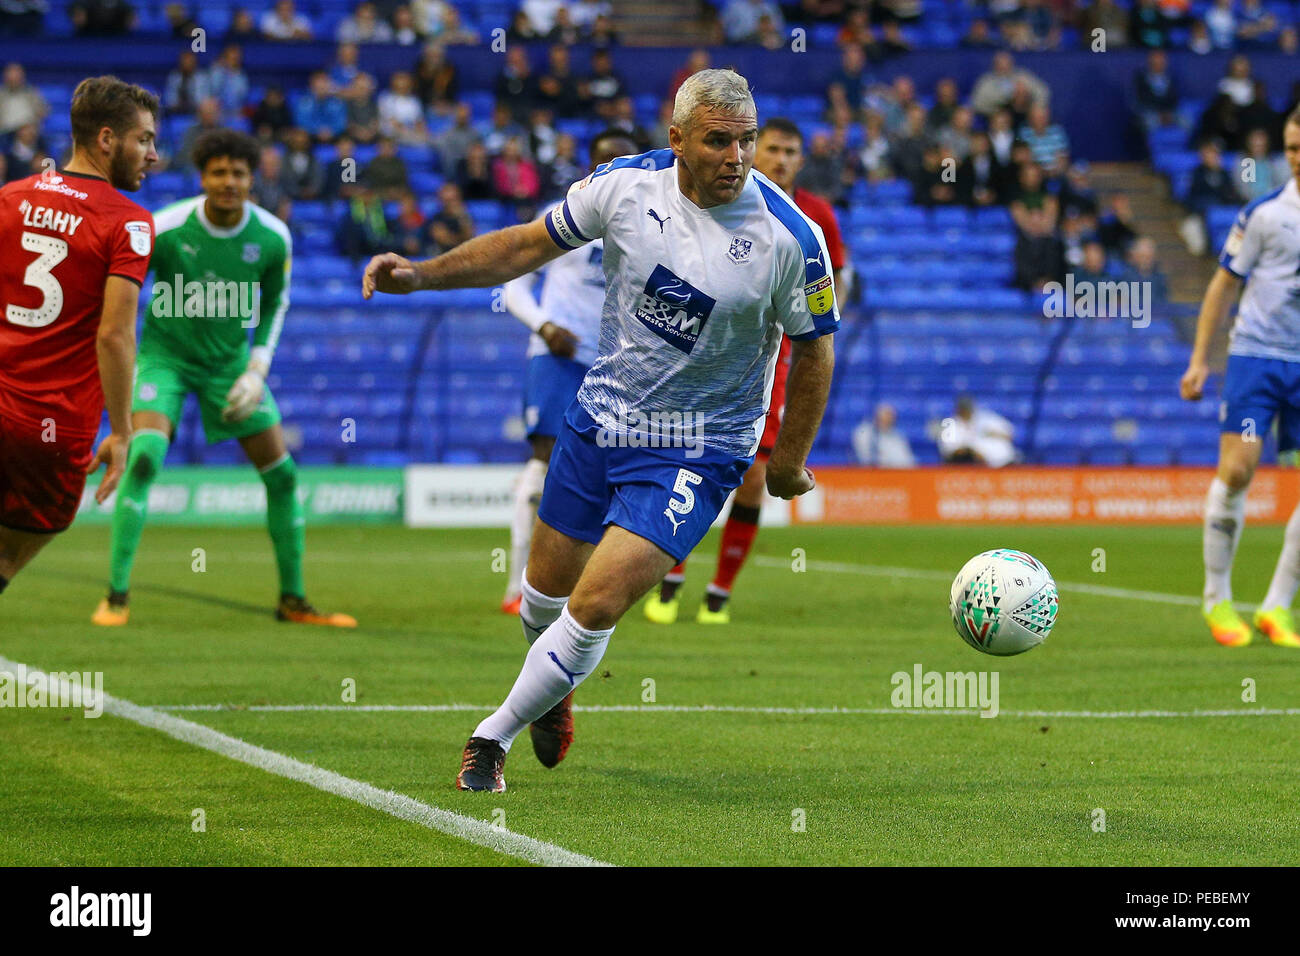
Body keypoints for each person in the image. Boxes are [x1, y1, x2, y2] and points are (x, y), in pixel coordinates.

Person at [362, 69, 838, 791]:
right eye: (717, 141)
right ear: (676, 139)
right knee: (542, 598)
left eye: (745, 141)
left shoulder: (790, 238)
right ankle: (556, 690)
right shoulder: (623, 187)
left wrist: (786, 460)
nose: (737, 157)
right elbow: (524, 247)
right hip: (602, 420)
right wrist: (421, 275)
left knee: (596, 602)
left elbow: (816, 347)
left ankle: (492, 738)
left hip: (698, 445)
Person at [90, 129, 355, 629]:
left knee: (282, 474)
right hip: (164, 360)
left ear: (252, 179)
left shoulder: (273, 236)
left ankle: (293, 600)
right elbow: (121, 288)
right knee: (144, 458)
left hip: (231, 369)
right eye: (218, 172)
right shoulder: (164, 228)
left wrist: (258, 368)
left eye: (238, 173)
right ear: (202, 176)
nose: (228, 182)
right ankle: (117, 595)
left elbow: (276, 304)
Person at [643, 117, 843, 624]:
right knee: (683, 461)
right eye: (770, 148)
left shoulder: (813, 220)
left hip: (772, 363)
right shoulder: (720, 197)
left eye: (789, 150)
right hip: (702, 354)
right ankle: (669, 579)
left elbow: (831, 297)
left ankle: (719, 592)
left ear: (801, 158)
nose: (779, 158)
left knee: (753, 476)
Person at [0, 76, 158, 594]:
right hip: (51, 427)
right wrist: (121, 430)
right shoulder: (128, 222)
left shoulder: (11, 197)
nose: (153, 155)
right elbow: (114, 336)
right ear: (107, 140)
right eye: (144, 140)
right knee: (9, 558)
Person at [498, 129, 640, 615]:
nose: (610, 170)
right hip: (557, 357)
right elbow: (511, 285)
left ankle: (576, 587)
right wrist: (545, 325)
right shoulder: (566, 218)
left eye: (622, 160)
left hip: (614, 367)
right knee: (547, 462)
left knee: (604, 475)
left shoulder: (651, 228)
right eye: (603, 161)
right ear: (589, 166)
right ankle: (519, 588)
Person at [1179, 108, 1300, 649]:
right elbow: (1223, 285)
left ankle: (1277, 607)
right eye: (1292, 149)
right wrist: (1200, 359)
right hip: (1256, 358)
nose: (1298, 159)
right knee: (1239, 468)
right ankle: (1217, 600)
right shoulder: (1266, 215)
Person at [939, 396, 1017, 466]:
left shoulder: (985, 417)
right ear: (958, 409)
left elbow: (1009, 434)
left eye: (968, 408)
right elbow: (947, 452)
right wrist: (970, 451)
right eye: (964, 409)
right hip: (965, 463)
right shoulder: (950, 425)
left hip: (1000, 462)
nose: (966, 411)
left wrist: (993, 434)